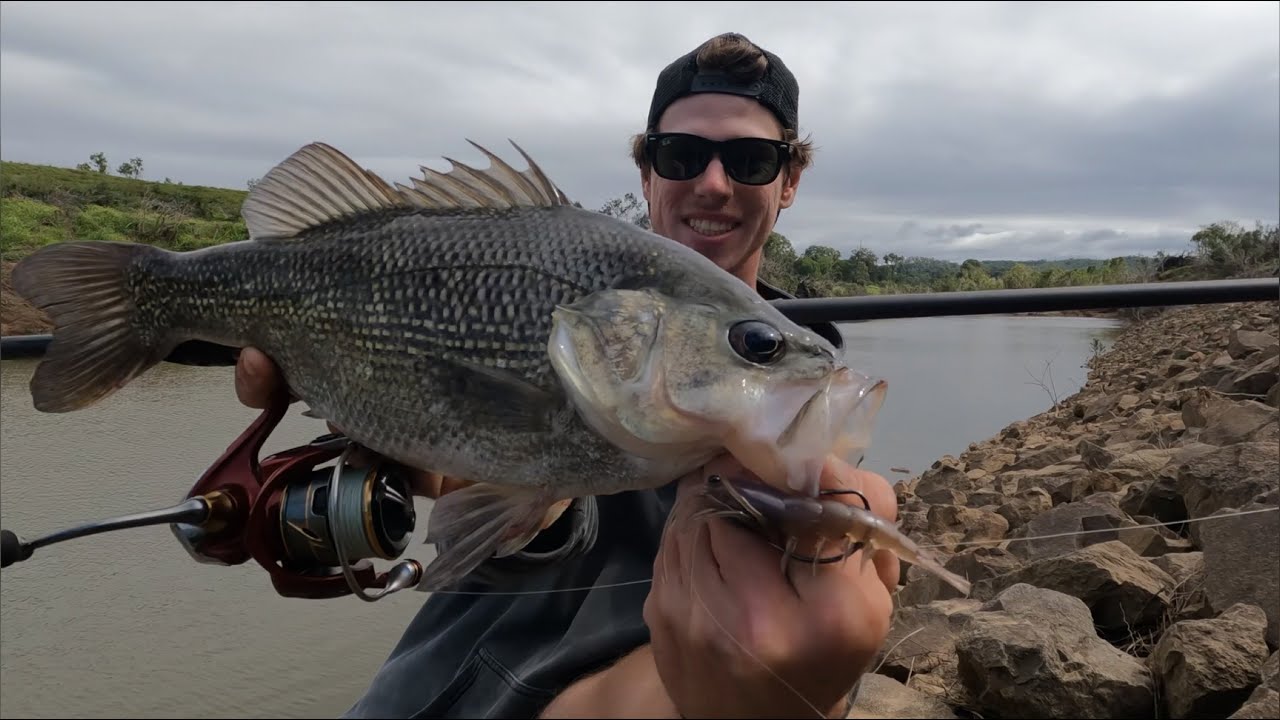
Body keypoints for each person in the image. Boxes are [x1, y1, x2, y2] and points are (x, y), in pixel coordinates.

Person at [234, 32, 899, 719]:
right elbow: (510, 500)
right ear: (647, 174)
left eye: (751, 160)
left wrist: (791, 692)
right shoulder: (627, 329)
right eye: (680, 155)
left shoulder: (787, 393)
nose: (712, 183)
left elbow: (792, 629)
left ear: (789, 181)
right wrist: (475, 485)